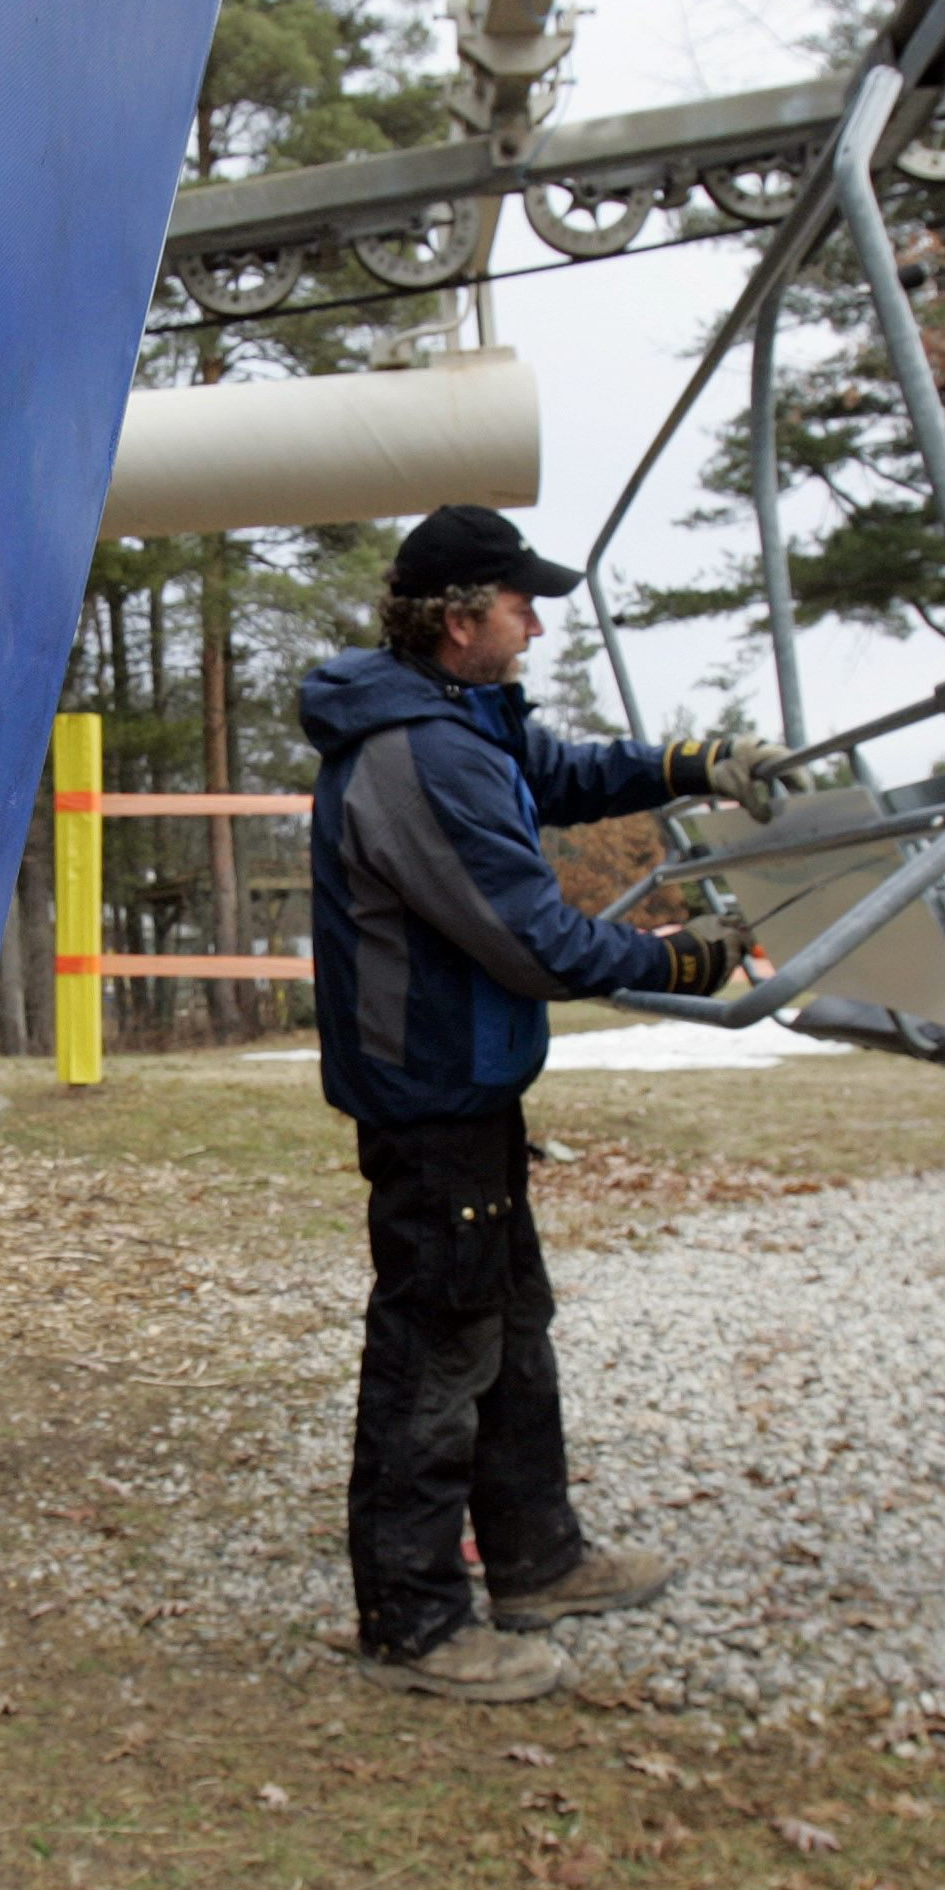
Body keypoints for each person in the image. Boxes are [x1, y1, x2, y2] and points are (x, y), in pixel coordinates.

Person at [300, 504, 803, 1702]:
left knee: (508, 1323)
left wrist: (689, 763)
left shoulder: (458, 719)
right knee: (437, 1345)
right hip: (430, 1094)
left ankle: (535, 1559)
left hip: (466, 1085)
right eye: (521, 604)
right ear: (460, 619)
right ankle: (412, 1618)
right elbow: (533, 938)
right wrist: (675, 958)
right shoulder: (419, 754)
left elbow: (560, 774)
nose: (536, 623)